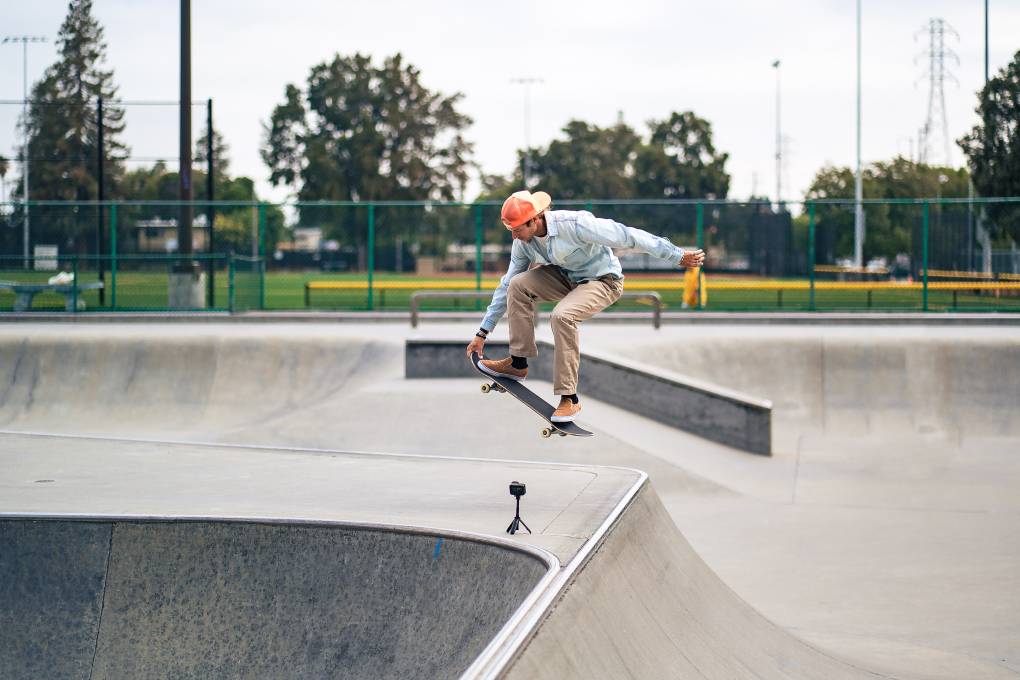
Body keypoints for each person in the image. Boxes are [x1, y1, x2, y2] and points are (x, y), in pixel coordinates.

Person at [466, 189, 705, 423]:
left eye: (517, 230)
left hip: (603, 281)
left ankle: (569, 398)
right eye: (511, 231)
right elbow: (505, 285)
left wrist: (676, 255)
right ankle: (518, 364)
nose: (514, 237)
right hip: (566, 277)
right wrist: (482, 332)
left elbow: (628, 235)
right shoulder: (523, 243)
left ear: (534, 219)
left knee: (562, 316)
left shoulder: (575, 224)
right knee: (516, 285)